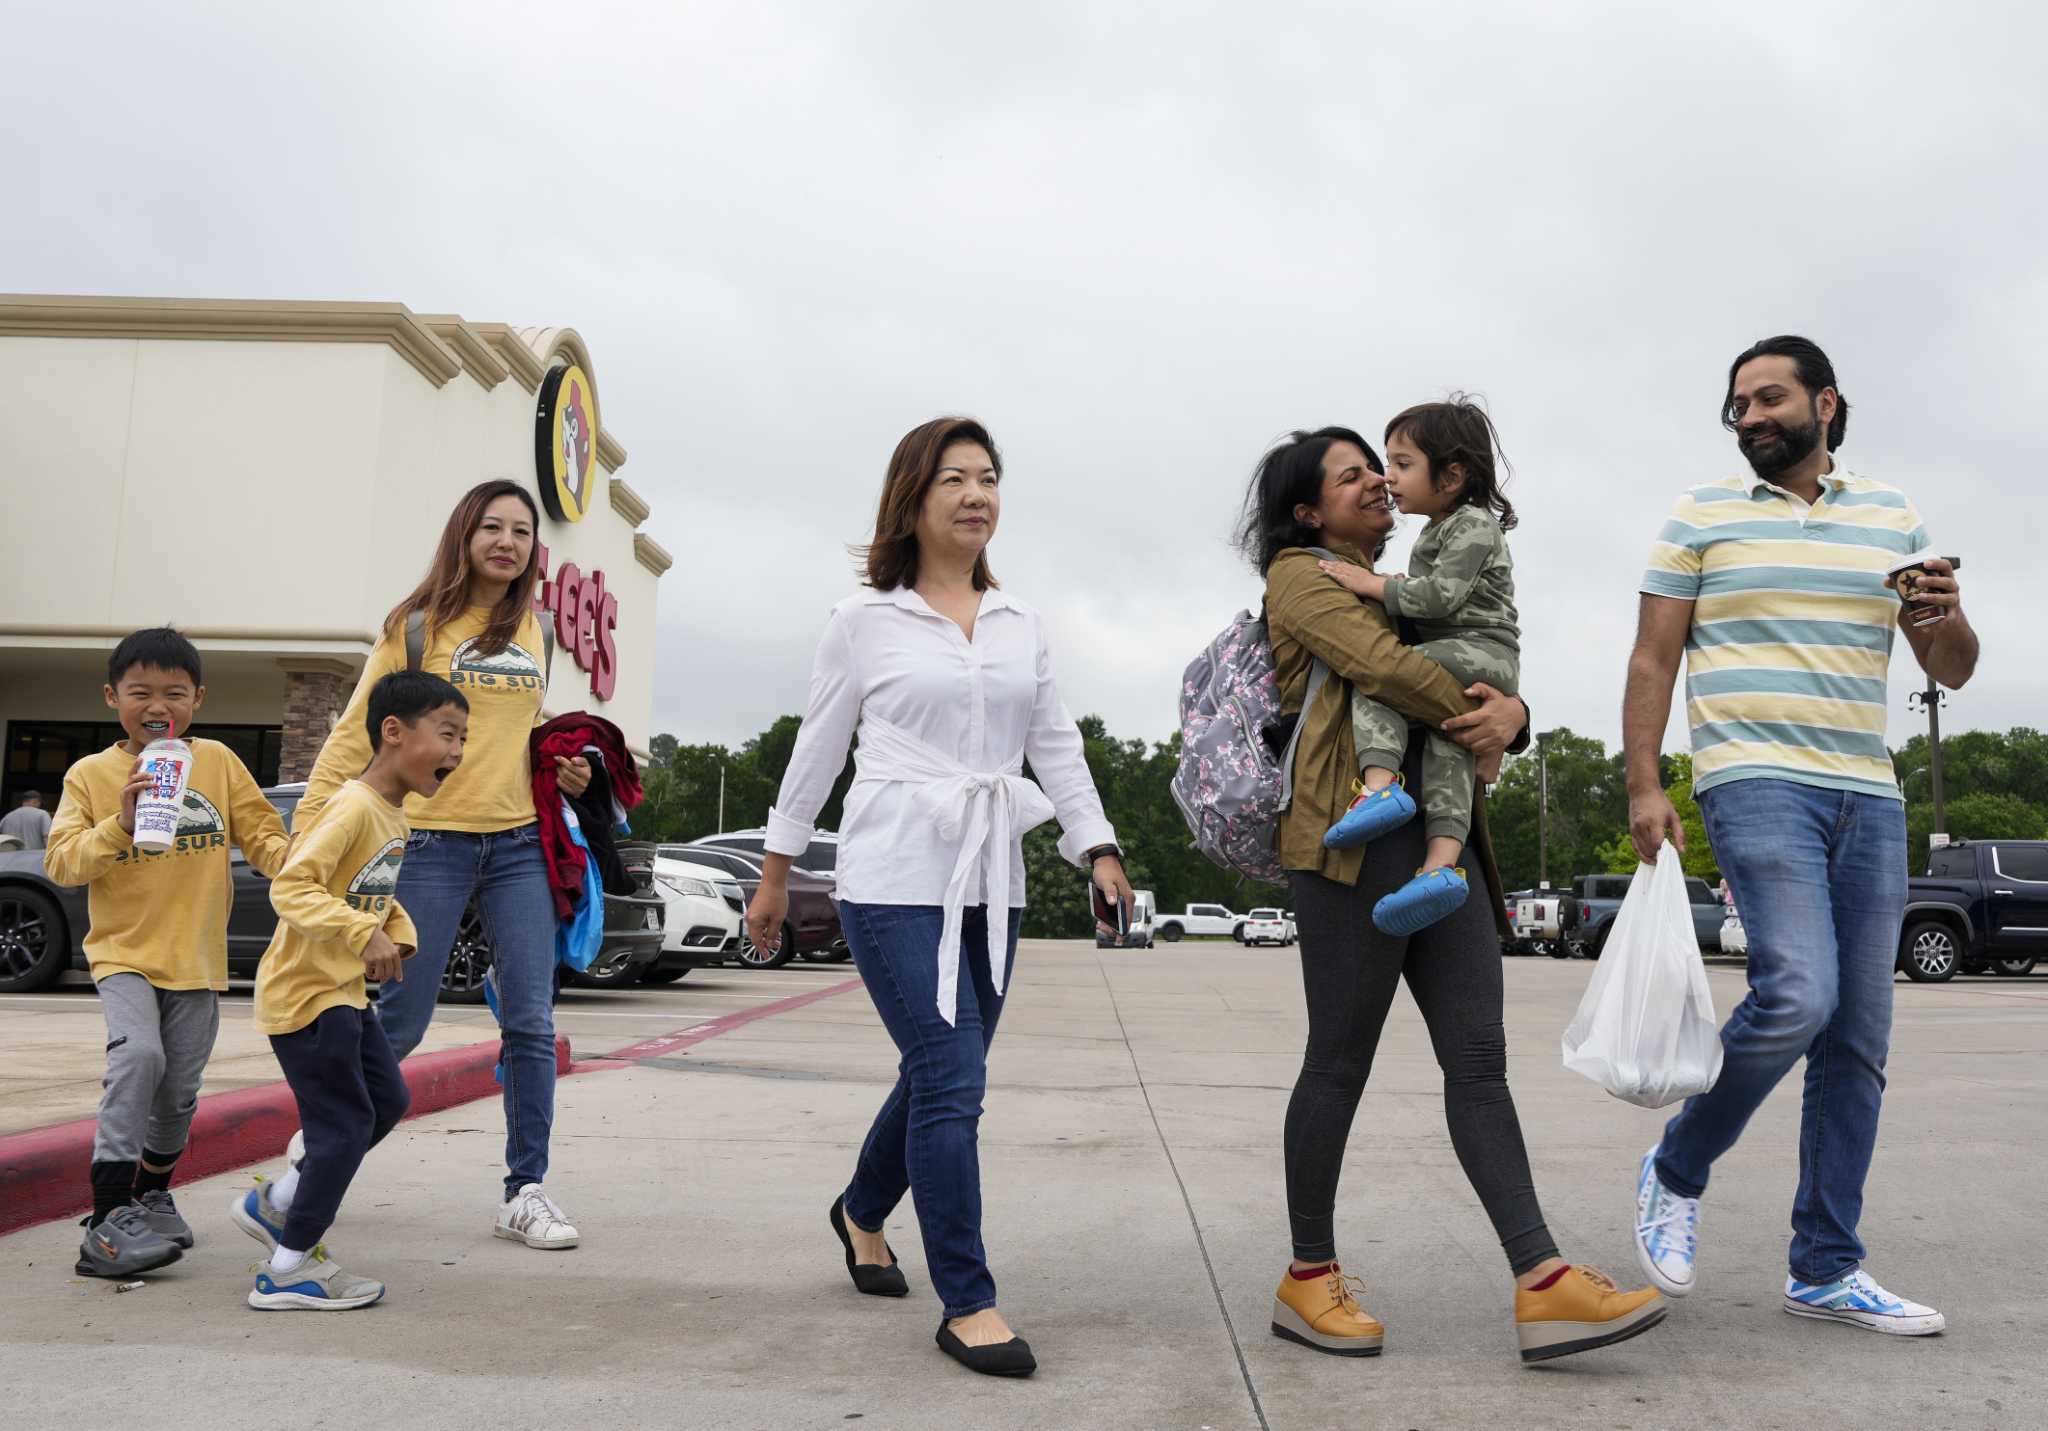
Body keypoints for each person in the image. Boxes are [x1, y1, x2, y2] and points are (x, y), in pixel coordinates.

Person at [1241, 427, 1664, 1363]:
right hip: (1350, 846)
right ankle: (1308, 1275)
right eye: (1354, 477)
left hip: (1443, 846)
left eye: (1380, 471)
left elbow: (1475, 659)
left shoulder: (1423, 576)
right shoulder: (1302, 577)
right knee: (1338, 1060)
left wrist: (1514, 715)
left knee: (1479, 1059)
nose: (1377, 487)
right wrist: (1501, 716)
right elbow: (1390, 672)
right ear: (1310, 509)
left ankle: (1542, 1278)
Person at [748, 417, 1132, 1379]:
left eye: (990, 478)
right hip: (889, 875)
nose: (976, 494)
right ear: (913, 499)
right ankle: (970, 1298)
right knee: (954, 1080)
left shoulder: (1020, 623)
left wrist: (1100, 849)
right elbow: (818, 749)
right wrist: (775, 868)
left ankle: (860, 1210)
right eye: (955, 478)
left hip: (989, 879)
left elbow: (1055, 747)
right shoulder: (863, 620)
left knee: (935, 1074)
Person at [1625, 335, 1977, 1335]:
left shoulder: (1889, 518)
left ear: (1825, 403)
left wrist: (1946, 616)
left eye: (1767, 398)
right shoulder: (1699, 516)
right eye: (1735, 405)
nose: (1747, 417)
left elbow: (1947, 668)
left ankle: (1824, 1266)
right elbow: (1653, 659)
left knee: (1857, 1040)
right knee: (1797, 991)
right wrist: (1643, 785)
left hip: (1866, 791)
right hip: (1750, 777)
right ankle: (1676, 1165)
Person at [293, 478, 591, 1249]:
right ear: (464, 535)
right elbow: (361, 733)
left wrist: (564, 765)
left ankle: (525, 1188)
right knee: (401, 1018)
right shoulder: (419, 627)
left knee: (530, 1018)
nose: (507, 541)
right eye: (491, 527)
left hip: (519, 842)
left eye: (522, 531)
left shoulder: (541, 630)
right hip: (426, 842)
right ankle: (318, 1153)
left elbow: (513, 730)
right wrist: (313, 823)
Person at [43, 627, 290, 1277]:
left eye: (175, 692)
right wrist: (121, 823)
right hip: (123, 952)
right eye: (141, 692)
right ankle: (104, 1219)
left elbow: (264, 835)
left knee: (178, 1091)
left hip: (199, 960)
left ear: (198, 699)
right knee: (140, 1058)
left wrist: (304, 870)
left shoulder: (218, 762)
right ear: (111, 697)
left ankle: (152, 1192)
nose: (159, 704)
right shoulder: (90, 774)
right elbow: (64, 862)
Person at [229, 672, 467, 1309]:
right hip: (306, 996)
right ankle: (286, 1269)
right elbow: (293, 887)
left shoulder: (393, 812)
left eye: (463, 739)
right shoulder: (352, 805)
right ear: (393, 731)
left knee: (386, 1102)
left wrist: (395, 932)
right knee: (343, 1125)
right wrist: (362, 931)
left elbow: (372, 894)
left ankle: (277, 1203)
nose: (458, 752)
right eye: (448, 734)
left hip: (343, 993)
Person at [1319, 399, 1522, 936]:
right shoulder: (1442, 528)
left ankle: (1380, 784)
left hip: (1478, 649)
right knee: (1448, 741)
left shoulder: (1472, 524)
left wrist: (1370, 584)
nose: (1388, 478)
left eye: (1402, 464)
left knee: (1383, 679)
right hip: (1472, 658)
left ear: (1452, 475)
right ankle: (1440, 867)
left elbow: (1438, 599)